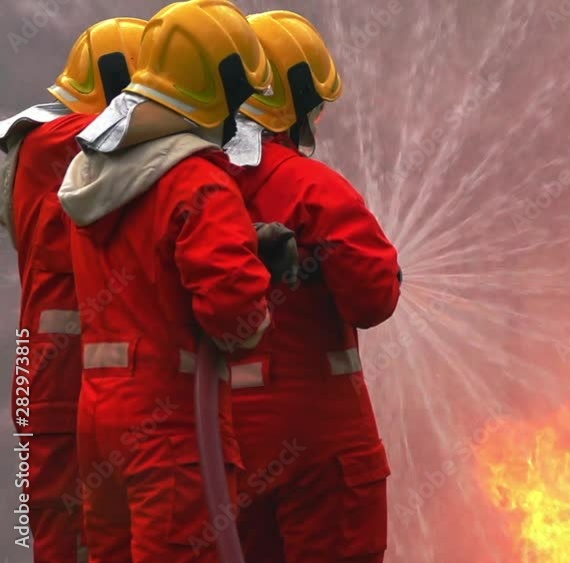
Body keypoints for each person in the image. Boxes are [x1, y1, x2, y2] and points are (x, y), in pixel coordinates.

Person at [56, 1, 293, 560]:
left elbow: (142, 268)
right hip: (171, 425)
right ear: (217, 89)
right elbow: (236, 319)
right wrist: (259, 275)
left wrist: (239, 243)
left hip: (99, 419)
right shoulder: (197, 184)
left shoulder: (90, 176)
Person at [223, 11, 401, 562]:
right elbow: (374, 297)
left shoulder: (189, 183)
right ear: (294, 103)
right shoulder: (312, 187)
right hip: (321, 442)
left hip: (225, 442)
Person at [0, 17, 145, 562]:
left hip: (49, 374)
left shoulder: (41, 146)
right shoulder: (64, 142)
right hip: (66, 379)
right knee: (73, 540)